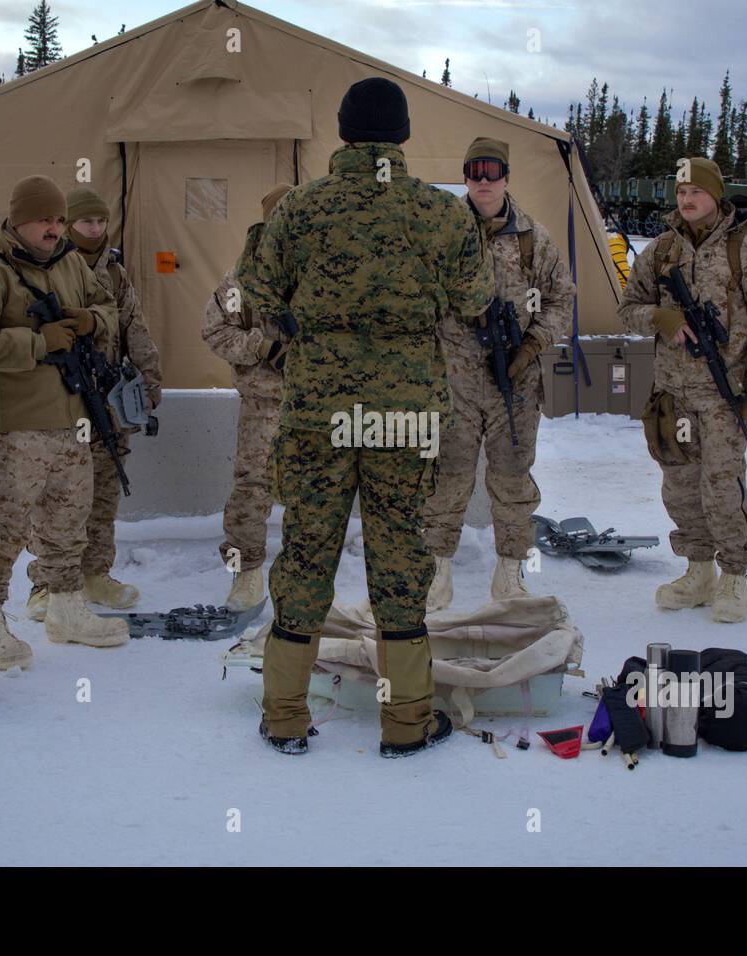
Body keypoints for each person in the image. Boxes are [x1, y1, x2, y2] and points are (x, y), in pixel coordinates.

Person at [237, 77, 494, 756]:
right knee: (401, 559)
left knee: (306, 556)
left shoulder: (300, 209)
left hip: (319, 411)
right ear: (403, 137)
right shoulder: (442, 215)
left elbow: (256, 294)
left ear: (345, 135)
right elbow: (476, 298)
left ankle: (286, 716)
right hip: (404, 416)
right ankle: (407, 723)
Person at [0, 174, 129, 663]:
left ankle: (66, 608)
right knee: (3, 528)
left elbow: (107, 305)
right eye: (44, 220)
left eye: (59, 219)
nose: (54, 229)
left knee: (67, 525)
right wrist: (39, 342)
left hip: (72, 419)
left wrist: (89, 321)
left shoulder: (71, 261)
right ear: (18, 219)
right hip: (16, 425)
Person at [618, 157, 747, 623]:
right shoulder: (660, 252)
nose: (687, 200)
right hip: (673, 393)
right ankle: (698, 571)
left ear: (716, 195)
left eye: (695, 191)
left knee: (722, 485)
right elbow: (627, 308)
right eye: (680, 193)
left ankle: (733, 576)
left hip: (723, 395)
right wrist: (661, 317)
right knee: (680, 485)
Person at [422, 137, 575, 610]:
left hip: (516, 381)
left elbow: (561, 301)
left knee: (512, 478)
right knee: (447, 476)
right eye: (474, 172)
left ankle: (510, 574)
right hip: (454, 382)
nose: (483, 181)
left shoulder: (533, 238)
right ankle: (435, 571)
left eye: (492, 172)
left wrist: (531, 346)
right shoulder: (443, 231)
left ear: (507, 177)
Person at [25, 187, 163, 621]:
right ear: (69, 225)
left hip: (106, 399)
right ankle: (46, 583)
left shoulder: (115, 273)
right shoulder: (50, 265)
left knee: (103, 493)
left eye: (101, 222)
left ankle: (94, 574)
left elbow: (134, 329)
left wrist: (149, 380)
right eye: (87, 222)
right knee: (58, 498)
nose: (96, 229)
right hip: (60, 397)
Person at [201, 183, 294, 611]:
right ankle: (245, 572)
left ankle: (304, 572)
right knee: (252, 489)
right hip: (263, 405)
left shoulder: (326, 275)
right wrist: (261, 348)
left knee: (313, 491)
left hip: (314, 404)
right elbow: (216, 329)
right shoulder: (244, 279)